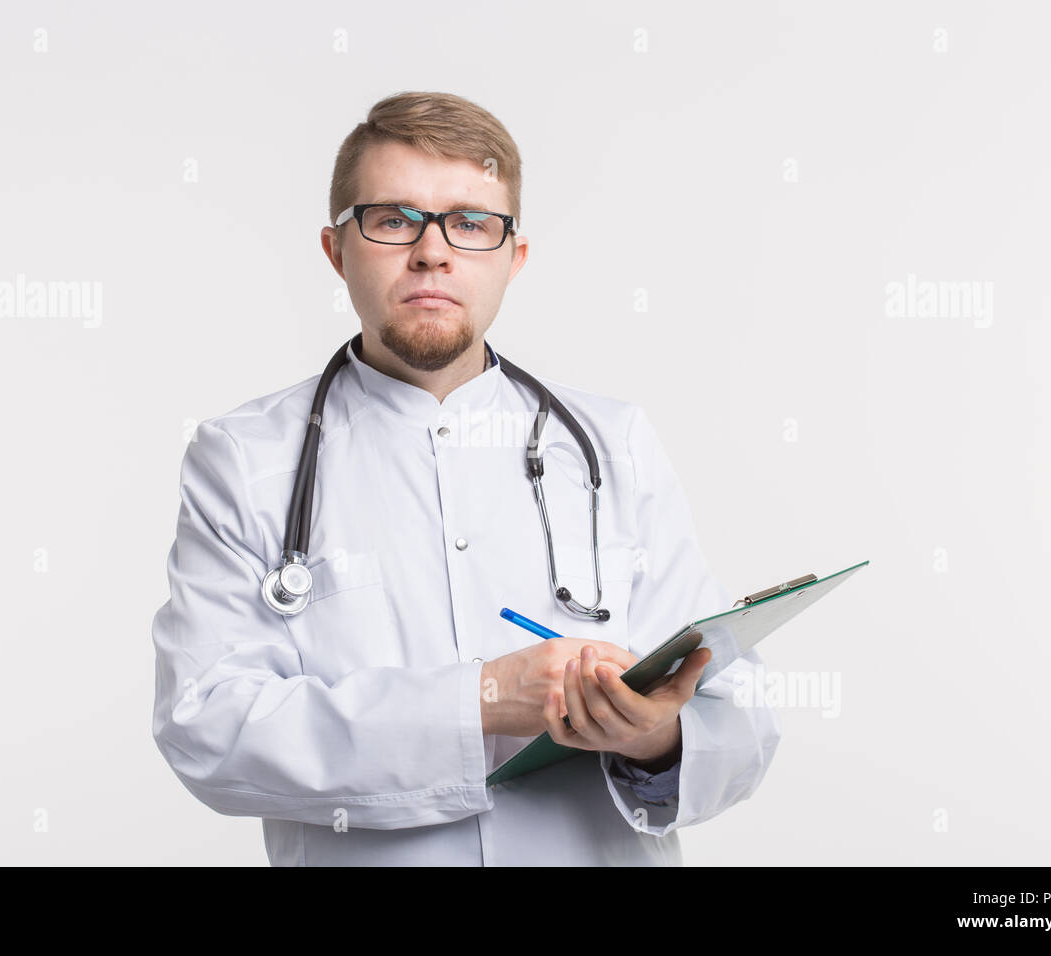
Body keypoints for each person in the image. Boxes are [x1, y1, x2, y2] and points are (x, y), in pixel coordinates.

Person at [151, 91, 781, 866]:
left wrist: (653, 736)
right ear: (335, 249)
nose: (433, 252)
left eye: (471, 224)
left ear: (513, 258)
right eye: (393, 219)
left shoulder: (615, 446)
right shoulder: (243, 460)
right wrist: (480, 700)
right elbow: (208, 729)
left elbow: (740, 719)